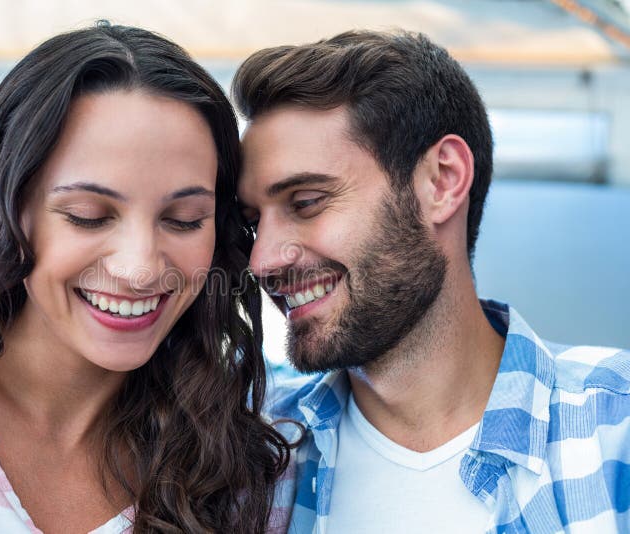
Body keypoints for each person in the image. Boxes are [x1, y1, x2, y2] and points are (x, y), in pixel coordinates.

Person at [0, 22, 290, 533]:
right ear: (12, 208)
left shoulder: (245, 467)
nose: (139, 269)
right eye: (88, 215)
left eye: (183, 220)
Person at [233, 30, 630, 533]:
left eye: (306, 202)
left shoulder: (613, 427)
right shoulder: (250, 453)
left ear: (442, 181)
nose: (263, 260)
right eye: (252, 222)